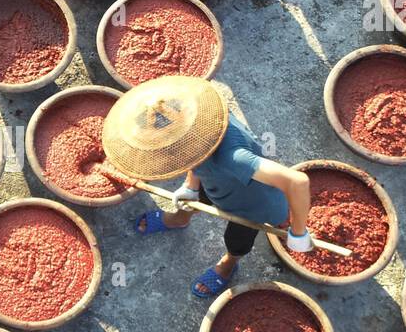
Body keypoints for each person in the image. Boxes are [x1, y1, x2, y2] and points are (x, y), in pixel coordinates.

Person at [132, 115, 313, 298]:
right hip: (214, 181)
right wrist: (190, 186)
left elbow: (297, 182)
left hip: (252, 204)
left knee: (236, 239)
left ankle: (229, 264)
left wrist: (298, 234)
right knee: (192, 201)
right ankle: (179, 219)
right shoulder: (199, 116)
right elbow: (194, 156)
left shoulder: (234, 157)